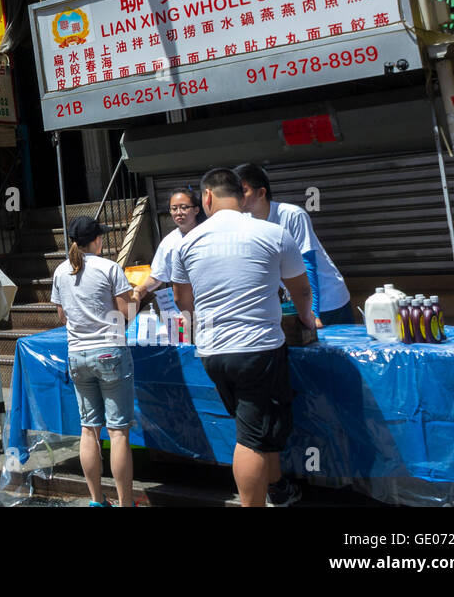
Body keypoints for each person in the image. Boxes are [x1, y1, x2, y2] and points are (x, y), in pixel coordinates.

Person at [170, 168, 312, 508]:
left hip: (212, 353)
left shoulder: (186, 243)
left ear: (206, 198)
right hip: (257, 350)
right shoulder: (273, 233)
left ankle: (276, 486)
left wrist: (196, 323)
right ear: (242, 193)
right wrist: (307, 318)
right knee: (250, 437)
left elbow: (181, 301)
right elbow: (301, 289)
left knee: (259, 424)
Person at [52, 216, 135, 507]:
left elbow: (63, 317)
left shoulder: (61, 271)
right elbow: (127, 314)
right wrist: (133, 296)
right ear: (97, 239)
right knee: (118, 431)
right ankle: (125, 503)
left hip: (77, 354)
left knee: (89, 428)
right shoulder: (110, 268)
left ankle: (97, 500)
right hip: (109, 352)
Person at [235, 163, 353, 327]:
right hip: (299, 303)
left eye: (243, 190)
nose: (237, 196)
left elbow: (308, 264)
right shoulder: (244, 222)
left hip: (329, 301)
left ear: (261, 192)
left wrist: (314, 313)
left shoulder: (292, 215)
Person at [131, 188, 203, 308]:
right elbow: (158, 276)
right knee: (182, 327)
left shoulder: (207, 235)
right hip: (183, 308)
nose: (178, 212)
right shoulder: (169, 241)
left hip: (209, 302)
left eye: (184, 207)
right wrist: (140, 289)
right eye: (174, 208)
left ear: (196, 209)